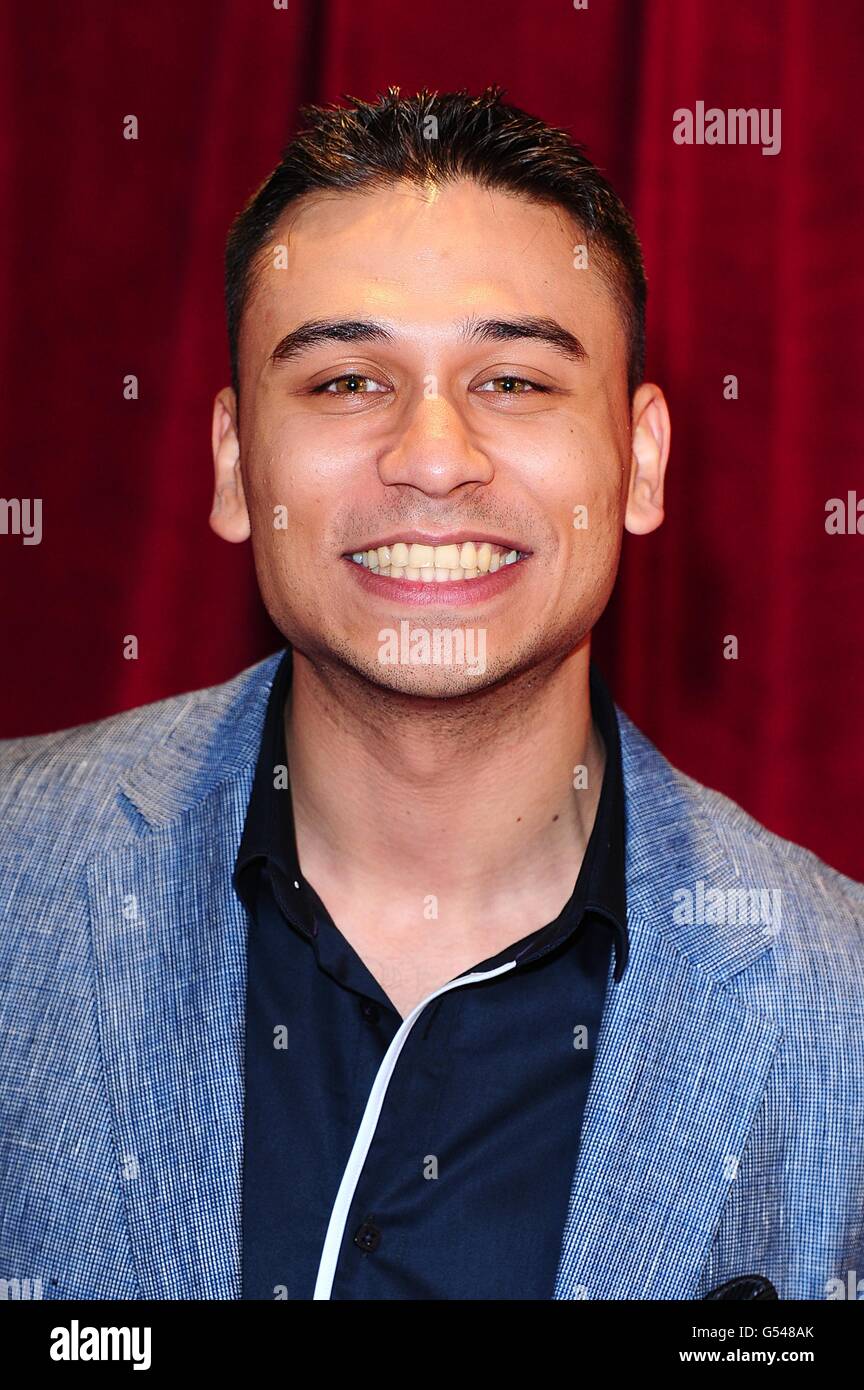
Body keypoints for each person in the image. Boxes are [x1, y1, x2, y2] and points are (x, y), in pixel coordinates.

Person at [1, 85, 862, 1303]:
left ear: (644, 458)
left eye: (513, 380)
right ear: (236, 465)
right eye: (348, 381)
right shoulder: (17, 873)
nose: (435, 456)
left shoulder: (841, 1015)